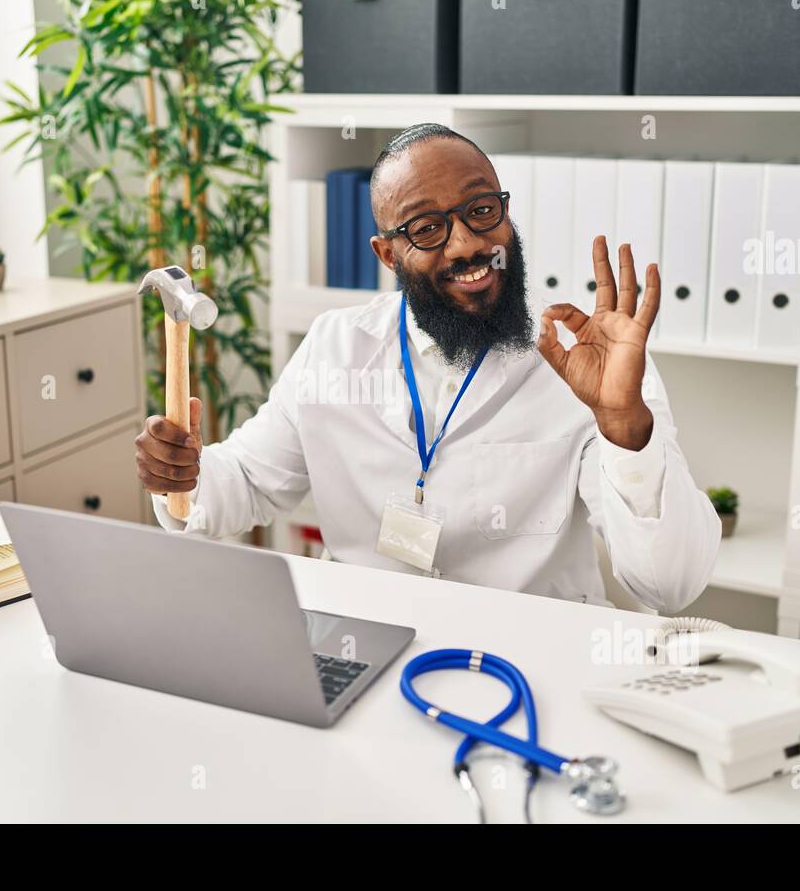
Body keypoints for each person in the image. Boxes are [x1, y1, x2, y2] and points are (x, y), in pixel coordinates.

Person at [135, 123, 720, 613]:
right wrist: (184, 476)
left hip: (533, 660)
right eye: (426, 227)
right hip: (366, 644)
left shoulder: (591, 362)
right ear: (388, 253)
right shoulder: (335, 347)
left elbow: (670, 586)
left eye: (481, 210)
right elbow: (245, 483)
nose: (466, 243)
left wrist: (624, 426)